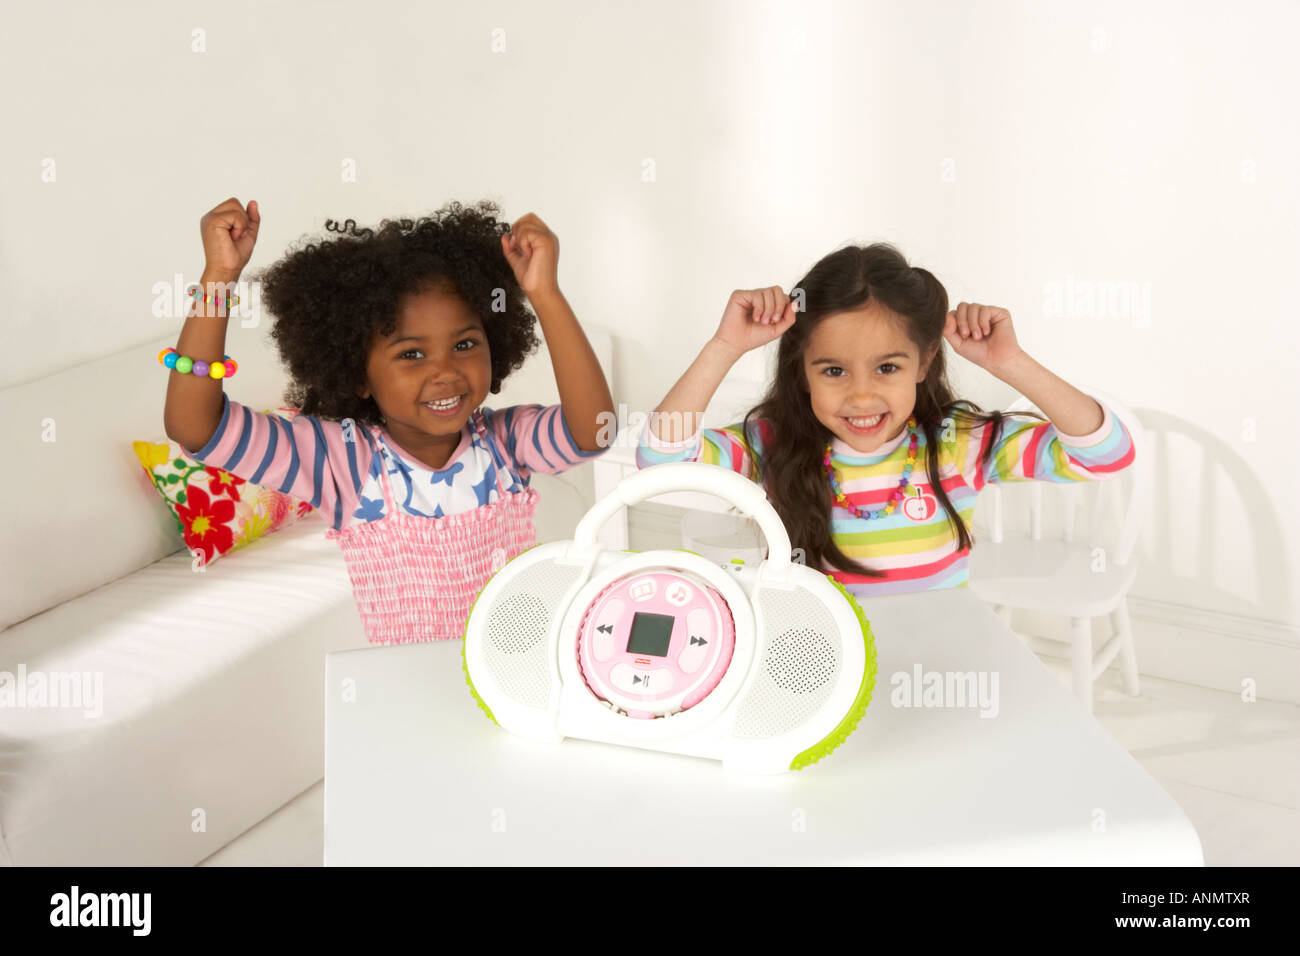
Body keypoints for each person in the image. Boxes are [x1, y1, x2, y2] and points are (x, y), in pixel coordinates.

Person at [163, 197, 614, 642]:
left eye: (464, 345)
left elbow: (594, 432)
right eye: (411, 354)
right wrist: (219, 277)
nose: (446, 372)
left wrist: (545, 293)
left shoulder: (505, 441)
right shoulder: (342, 460)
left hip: (522, 670)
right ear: (359, 376)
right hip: (410, 688)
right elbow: (196, 426)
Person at [636, 242, 1136, 597]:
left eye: (887, 367)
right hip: (820, 651)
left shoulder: (960, 441)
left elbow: (1107, 454)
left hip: (936, 653)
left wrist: (1010, 364)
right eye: (833, 370)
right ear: (803, 373)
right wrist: (724, 348)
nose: (860, 394)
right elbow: (660, 462)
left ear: (924, 362)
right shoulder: (772, 441)